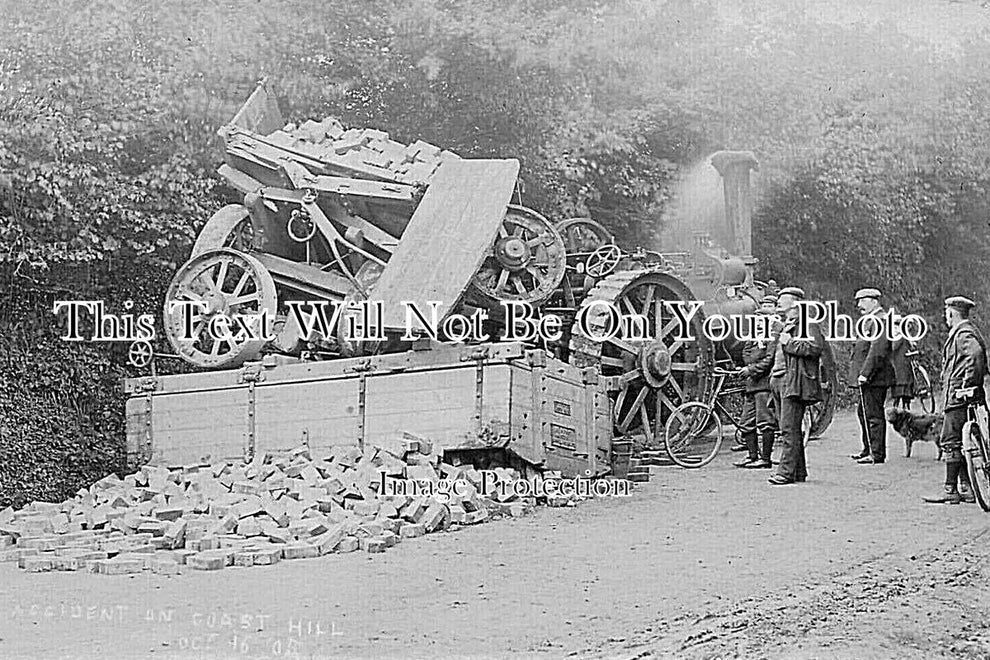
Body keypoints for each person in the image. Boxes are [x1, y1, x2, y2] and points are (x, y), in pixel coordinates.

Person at [923, 296, 988, 505]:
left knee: (950, 441)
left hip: (959, 397)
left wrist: (967, 385)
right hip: (962, 395)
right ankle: (967, 489)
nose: (945, 317)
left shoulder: (963, 333)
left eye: (947, 313)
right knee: (960, 442)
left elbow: (976, 355)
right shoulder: (967, 331)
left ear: (952, 313)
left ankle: (950, 490)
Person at [768, 287, 825, 485]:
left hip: (793, 382)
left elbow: (815, 348)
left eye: (782, 299)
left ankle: (785, 473)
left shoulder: (808, 324)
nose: (778, 301)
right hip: (779, 380)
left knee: (788, 428)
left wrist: (790, 342)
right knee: (788, 427)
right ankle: (798, 472)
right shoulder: (787, 324)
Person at [848, 288, 895, 465]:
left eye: (863, 301)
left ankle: (877, 453)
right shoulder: (870, 320)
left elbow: (878, 351)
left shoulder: (880, 320)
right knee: (863, 412)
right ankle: (868, 448)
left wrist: (866, 373)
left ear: (874, 301)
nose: (859, 305)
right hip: (869, 377)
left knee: (873, 414)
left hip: (875, 377)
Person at [733, 295, 780, 469]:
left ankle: (765, 459)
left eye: (763, 319)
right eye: (757, 319)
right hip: (752, 385)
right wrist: (752, 363)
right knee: (746, 422)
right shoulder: (754, 336)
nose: (759, 322)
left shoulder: (773, 337)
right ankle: (752, 456)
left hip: (764, 385)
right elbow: (745, 353)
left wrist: (751, 368)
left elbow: (769, 359)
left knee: (765, 422)